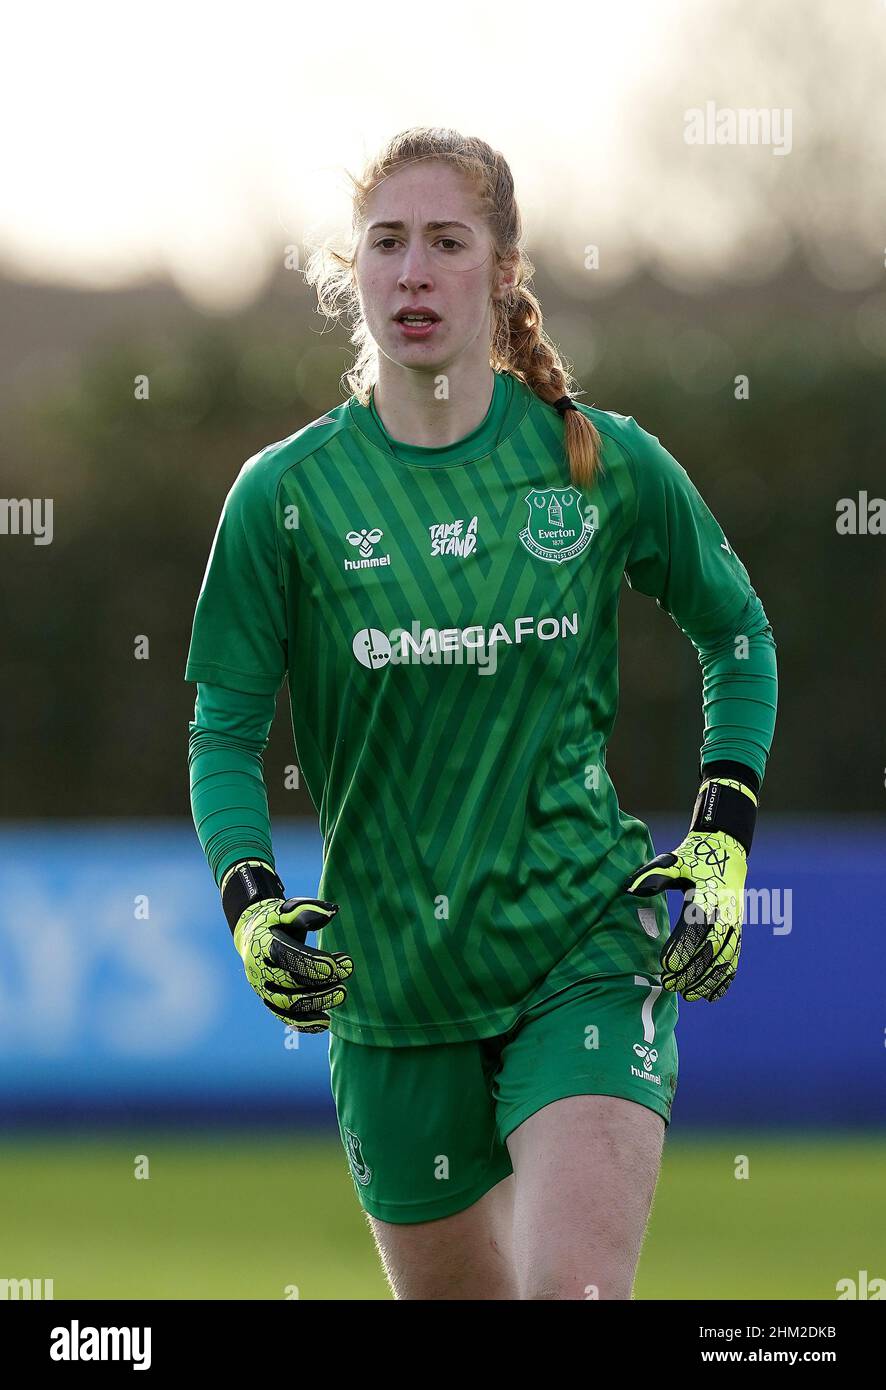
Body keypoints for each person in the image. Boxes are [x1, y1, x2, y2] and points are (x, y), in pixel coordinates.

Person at [185, 127, 778, 1300]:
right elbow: (222, 734)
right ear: (350, 270)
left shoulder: (594, 459)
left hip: (584, 950)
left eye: (446, 243)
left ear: (502, 272)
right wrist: (251, 906)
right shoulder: (283, 498)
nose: (412, 272)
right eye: (386, 243)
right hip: (392, 994)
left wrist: (719, 836)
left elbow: (738, 635)